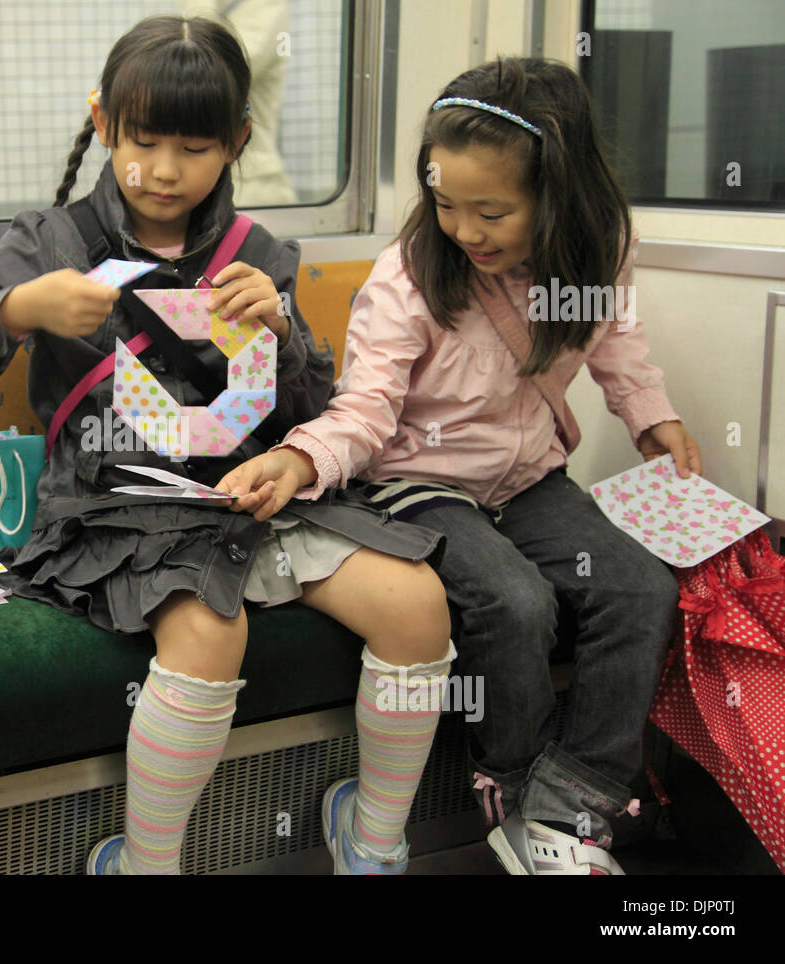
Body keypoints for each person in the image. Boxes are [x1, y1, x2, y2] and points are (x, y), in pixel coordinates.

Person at [0, 16, 453, 876]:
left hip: (250, 492)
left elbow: (312, 406)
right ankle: (145, 863)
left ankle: (373, 840)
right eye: (143, 141)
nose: (164, 170)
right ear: (104, 120)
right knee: (208, 628)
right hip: (116, 505)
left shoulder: (260, 253)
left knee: (417, 603)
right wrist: (19, 311)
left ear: (235, 142)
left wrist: (282, 328)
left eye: (194, 147)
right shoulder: (49, 241)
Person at [222, 57, 700, 875]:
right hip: (416, 481)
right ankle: (513, 794)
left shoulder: (599, 246)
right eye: (445, 204)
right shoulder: (409, 274)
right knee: (516, 602)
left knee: (641, 589)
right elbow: (365, 410)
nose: (466, 231)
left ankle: (570, 810)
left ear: (560, 196)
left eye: (493, 211)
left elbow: (613, 338)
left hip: (527, 477)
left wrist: (652, 416)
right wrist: (301, 459)